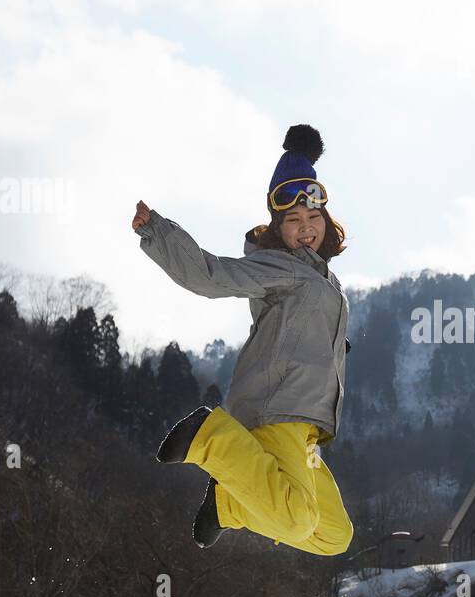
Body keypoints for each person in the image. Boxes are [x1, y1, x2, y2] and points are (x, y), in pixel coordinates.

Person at [131, 123, 354, 555]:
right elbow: (210, 276)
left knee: (332, 536)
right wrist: (157, 231)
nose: (305, 228)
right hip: (278, 410)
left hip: (308, 431)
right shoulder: (278, 267)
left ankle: (227, 504)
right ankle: (206, 436)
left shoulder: (325, 281)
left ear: (326, 220)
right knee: (296, 519)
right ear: (277, 228)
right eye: (293, 220)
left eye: (313, 217)